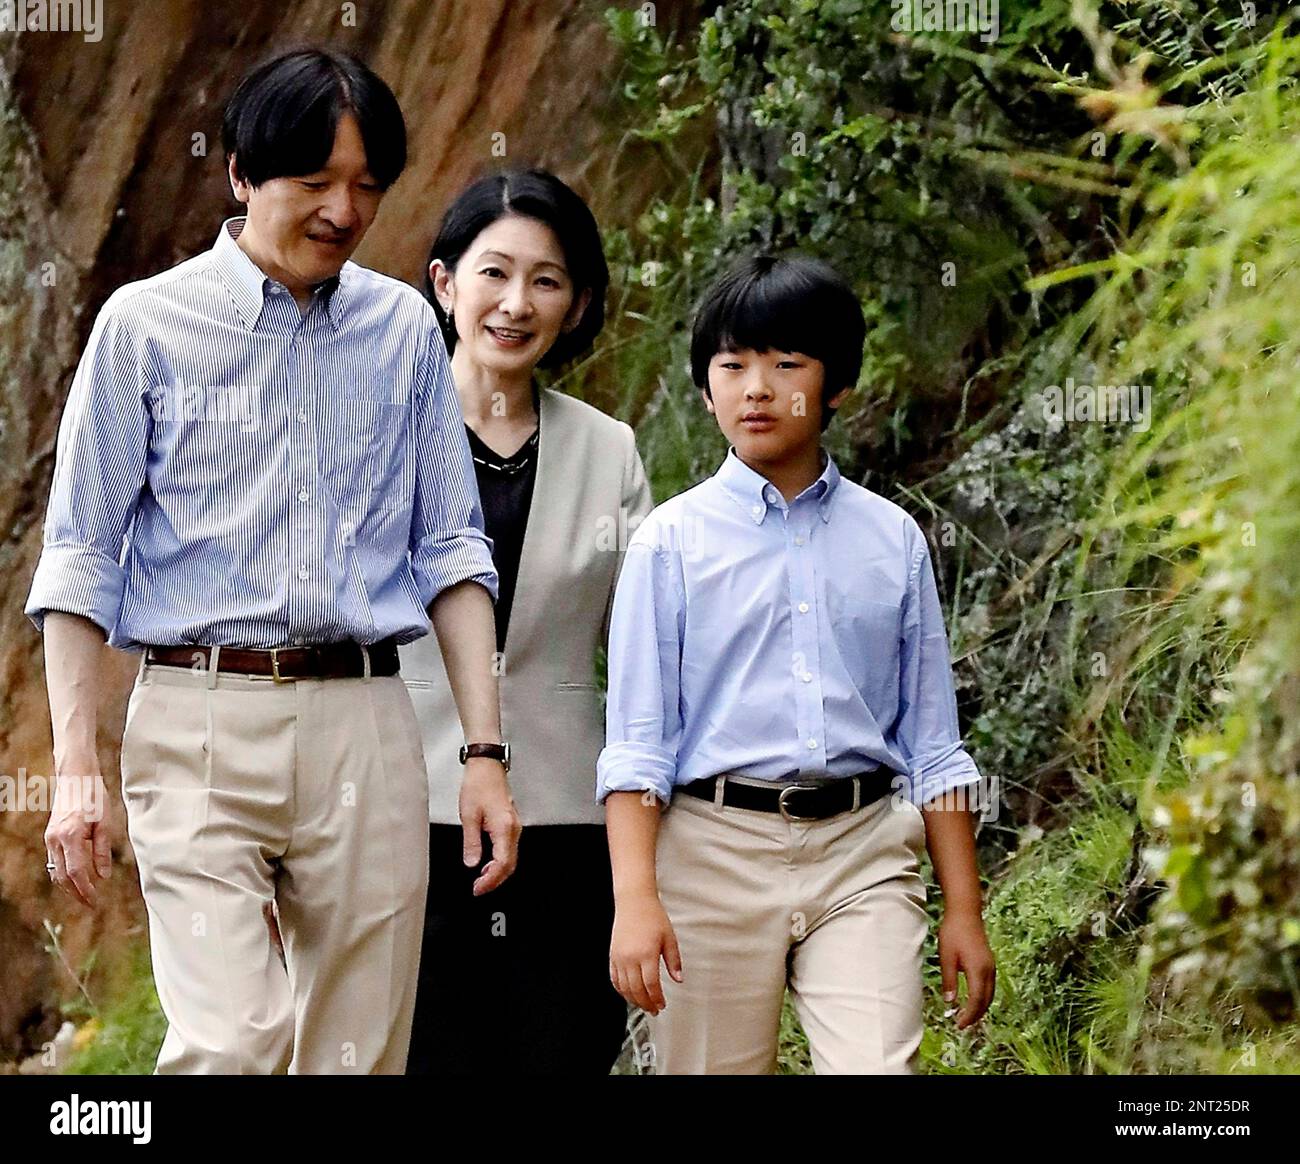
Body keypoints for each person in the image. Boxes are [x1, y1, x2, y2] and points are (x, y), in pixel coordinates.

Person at [25, 47, 520, 1075]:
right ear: (243, 176)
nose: (344, 210)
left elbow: (450, 551)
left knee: (354, 1056)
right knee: (233, 1041)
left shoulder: (404, 335)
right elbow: (79, 556)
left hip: (368, 729)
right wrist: (76, 770)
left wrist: (483, 752)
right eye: (316, 182)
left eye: (367, 187)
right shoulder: (145, 330)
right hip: (197, 723)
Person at [598, 253, 996, 1074]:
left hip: (862, 852)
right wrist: (635, 898)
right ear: (705, 389)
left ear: (838, 384)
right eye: (732, 365)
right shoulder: (668, 543)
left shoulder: (893, 540)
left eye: (788, 364)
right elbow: (639, 742)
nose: (756, 388)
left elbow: (933, 743)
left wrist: (965, 909)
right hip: (709, 855)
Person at [401, 169, 653, 1074]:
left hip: (567, 824)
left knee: (560, 1054)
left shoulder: (608, 450)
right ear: (444, 284)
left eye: (546, 281)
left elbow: (644, 653)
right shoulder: (379, 432)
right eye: (493, 273)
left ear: (577, 302)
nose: (516, 303)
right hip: (404, 813)